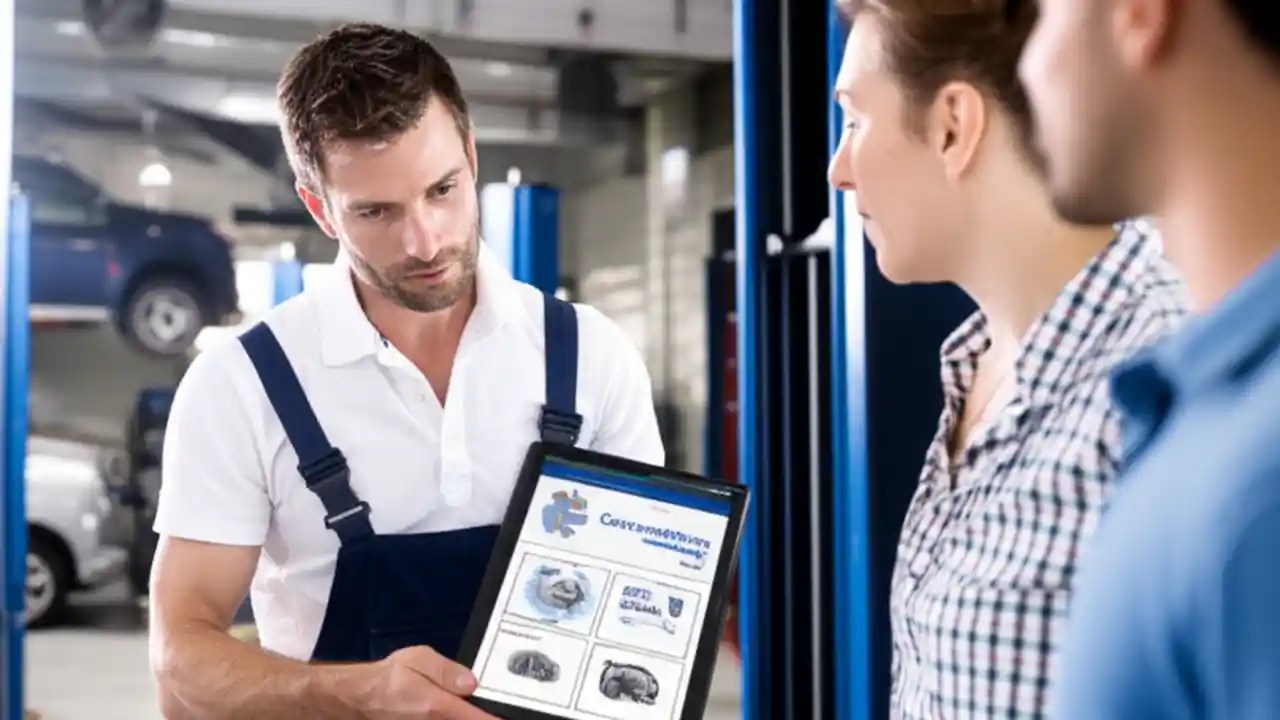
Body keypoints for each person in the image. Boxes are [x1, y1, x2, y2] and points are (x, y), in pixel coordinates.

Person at [147, 23, 663, 719]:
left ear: (471, 156)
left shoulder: (591, 357)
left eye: (442, 189)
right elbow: (181, 661)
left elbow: (647, 616)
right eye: (376, 211)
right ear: (320, 208)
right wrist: (359, 694)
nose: (425, 241)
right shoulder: (242, 385)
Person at [828, 1, 1187, 717]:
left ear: (952, 127)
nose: (839, 170)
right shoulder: (979, 366)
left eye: (855, 121)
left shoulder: (1160, 382)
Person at [1018, 1, 1280, 717]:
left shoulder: (1260, 485)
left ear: (1141, 14)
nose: (1027, 66)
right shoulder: (1212, 415)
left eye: (1046, 14)